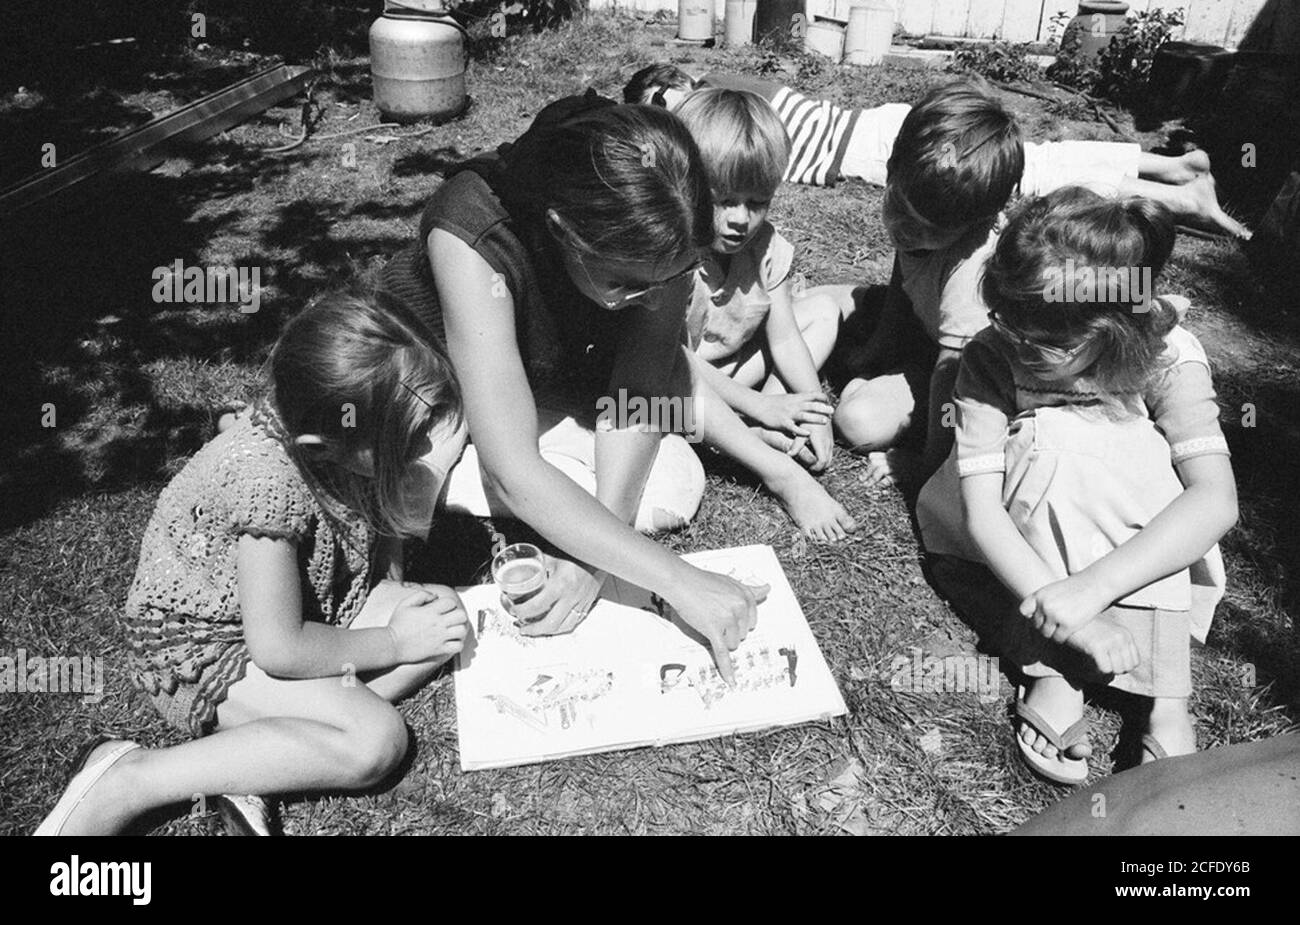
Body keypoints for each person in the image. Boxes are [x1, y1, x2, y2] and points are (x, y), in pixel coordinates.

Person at [35, 291, 471, 835]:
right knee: (376, 741)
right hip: (207, 648)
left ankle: (255, 757)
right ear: (322, 445)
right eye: (410, 437)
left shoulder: (325, 428)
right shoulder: (265, 482)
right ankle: (127, 776)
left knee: (444, 614)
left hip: (314, 607)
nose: (425, 445)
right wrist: (394, 645)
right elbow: (280, 647)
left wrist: (397, 602)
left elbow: (370, 545)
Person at [379, 92, 768, 672]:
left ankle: (570, 521)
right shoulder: (472, 234)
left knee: (673, 480)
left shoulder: (669, 219)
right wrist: (676, 578)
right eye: (623, 285)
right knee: (415, 477)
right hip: (435, 385)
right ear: (562, 230)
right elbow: (509, 470)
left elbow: (634, 398)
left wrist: (595, 561)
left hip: (550, 388)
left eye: (658, 285)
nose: (638, 301)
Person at [916, 187, 1238, 784]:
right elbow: (982, 512)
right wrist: (1076, 616)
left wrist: (1094, 589)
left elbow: (1215, 500)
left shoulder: (1167, 356)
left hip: (1130, 542)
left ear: (1114, 325)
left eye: (1049, 341)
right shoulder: (993, 355)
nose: (1023, 349)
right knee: (1054, 436)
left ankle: (1167, 696)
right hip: (1014, 534)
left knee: (1132, 443)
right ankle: (1053, 663)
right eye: (1010, 325)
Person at [827, 79, 1246, 485]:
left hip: (982, 368)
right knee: (821, 309)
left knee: (859, 422)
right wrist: (879, 346)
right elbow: (904, 277)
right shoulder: (931, 206)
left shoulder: (969, 266)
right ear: (891, 169)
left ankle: (1146, 309)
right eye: (898, 206)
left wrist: (930, 462)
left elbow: (951, 376)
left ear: (978, 221)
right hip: (936, 340)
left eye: (927, 229)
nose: (904, 231)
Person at [625, 63, 1251, 242]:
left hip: (867, 141)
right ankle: (1169, 168)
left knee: (1026, 176)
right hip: (872, 136)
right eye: (653, 103)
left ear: (680, 78)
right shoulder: (711, 127)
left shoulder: (726, 100)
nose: (665, 103)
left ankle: (1176, 186)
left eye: (663, 89)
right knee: (1032, 162)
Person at [670, 87, 858, 540]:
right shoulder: (673, 252)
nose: (740, 219)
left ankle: (768, 423)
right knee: (657, 406)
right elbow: (674, 360)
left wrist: (815, 410)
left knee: (823, 312)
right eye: (723, 200)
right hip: (681, 384)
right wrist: (760, 404)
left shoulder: (764, 246)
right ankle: (748, 436)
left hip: (732, 371)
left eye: (757, 203)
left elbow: (786, 336)